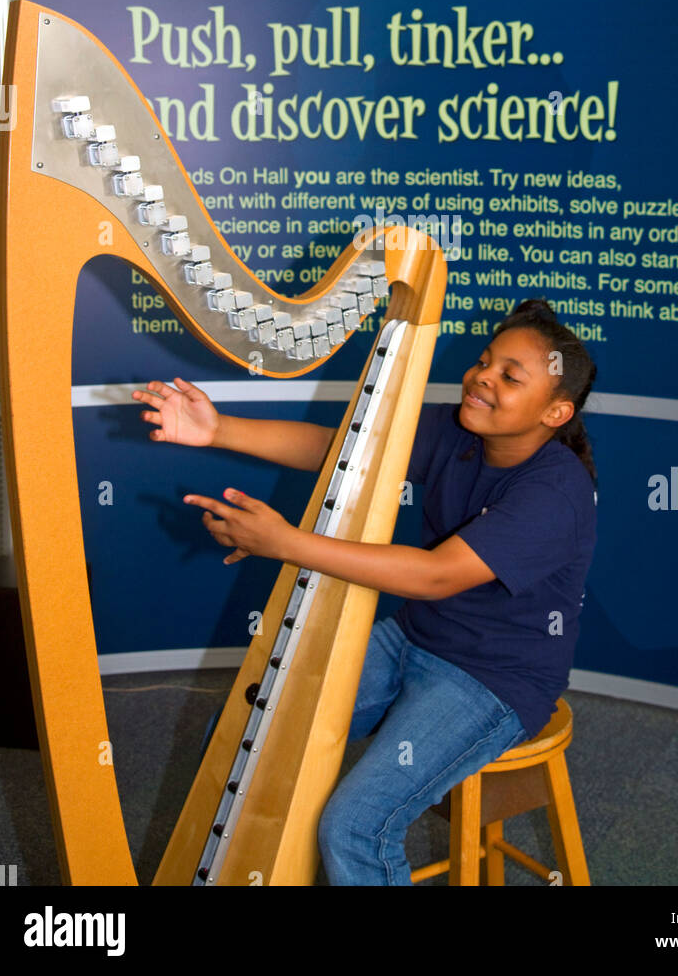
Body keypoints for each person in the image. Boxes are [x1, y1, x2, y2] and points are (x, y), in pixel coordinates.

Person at [132, 297, 598, 886]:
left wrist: (286, 542)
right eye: (485, 360)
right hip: (414, 637)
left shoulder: (557, 493)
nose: (483, 377)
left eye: (510, 376)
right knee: (240, 738)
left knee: (355, 825)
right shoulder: (458, 429)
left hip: (494, 680)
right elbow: (340, 452)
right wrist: (217, 428)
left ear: (554, 413)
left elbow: (437, 574)